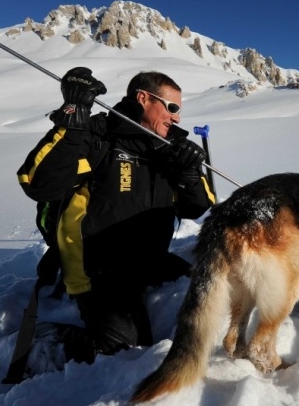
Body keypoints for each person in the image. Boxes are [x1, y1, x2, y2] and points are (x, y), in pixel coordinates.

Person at [17, 67, 215, 363]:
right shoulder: (97, 136)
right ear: (143, 98)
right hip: (96, 269)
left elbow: (197, 207)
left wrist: (187, 171)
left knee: (208, 294)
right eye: (172, 107)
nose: (176, 118)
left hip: (149, 261)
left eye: (179, 111)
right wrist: (74, 115)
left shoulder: (167, 151)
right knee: (125, 352)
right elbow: (39, 183)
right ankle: (54, 339)